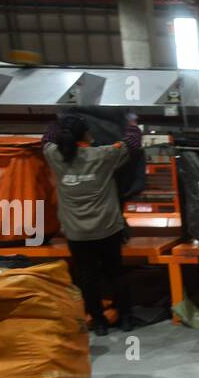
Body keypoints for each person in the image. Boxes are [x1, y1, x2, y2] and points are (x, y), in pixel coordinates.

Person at [42, 113, 140, 335]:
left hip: (77, 233)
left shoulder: (54, 155)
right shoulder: (101, 155)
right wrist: (132, 122)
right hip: (107, 229)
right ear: (86, 134)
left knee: (88, 278)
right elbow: (132, 143)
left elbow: (46, 138)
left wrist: (57, 118)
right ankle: (126, 318)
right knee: (115, 273)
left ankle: (98, 323)